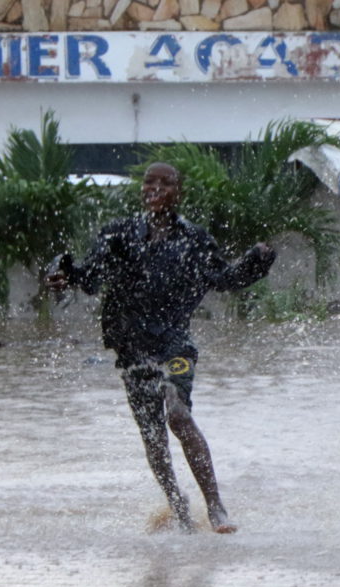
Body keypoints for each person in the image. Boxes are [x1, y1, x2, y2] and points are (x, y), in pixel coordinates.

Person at [47, 161, 275, 534]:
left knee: (178, 414)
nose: (155, 188)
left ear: (177, 192)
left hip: (174, 345)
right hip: (132, 348)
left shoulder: (195, 240)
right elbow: (89, 279)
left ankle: (215, 506)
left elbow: (225, 279)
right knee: (154, 439)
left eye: (164, 183)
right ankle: (178, 506)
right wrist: (65, 273)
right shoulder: (118, 236)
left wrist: (258, 261)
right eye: (149, 182)